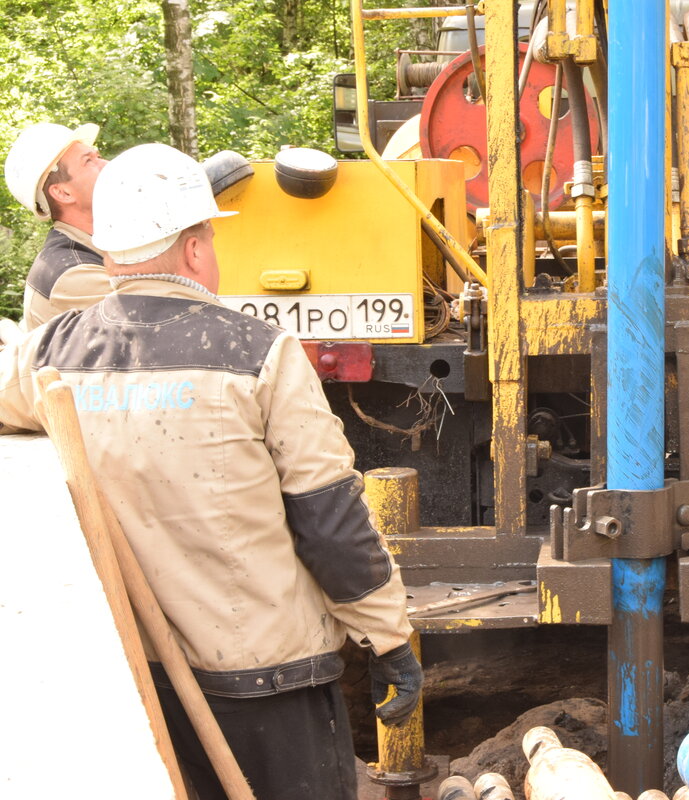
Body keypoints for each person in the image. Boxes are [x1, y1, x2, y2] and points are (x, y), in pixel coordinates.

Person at [0, 142, 422, 800]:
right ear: (195, 249)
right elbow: (330, 521)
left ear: (110, 253)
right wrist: (390, 638)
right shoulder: (261, 355)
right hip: (272, 682)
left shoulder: (56, 353)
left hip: (151, 685)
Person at [3, 122, 111, 333]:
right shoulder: (70, 274)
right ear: (63, 193)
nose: (106, 164)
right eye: (89, 161)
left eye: (98, 156)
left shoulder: (101, 243)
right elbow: (173, 316)